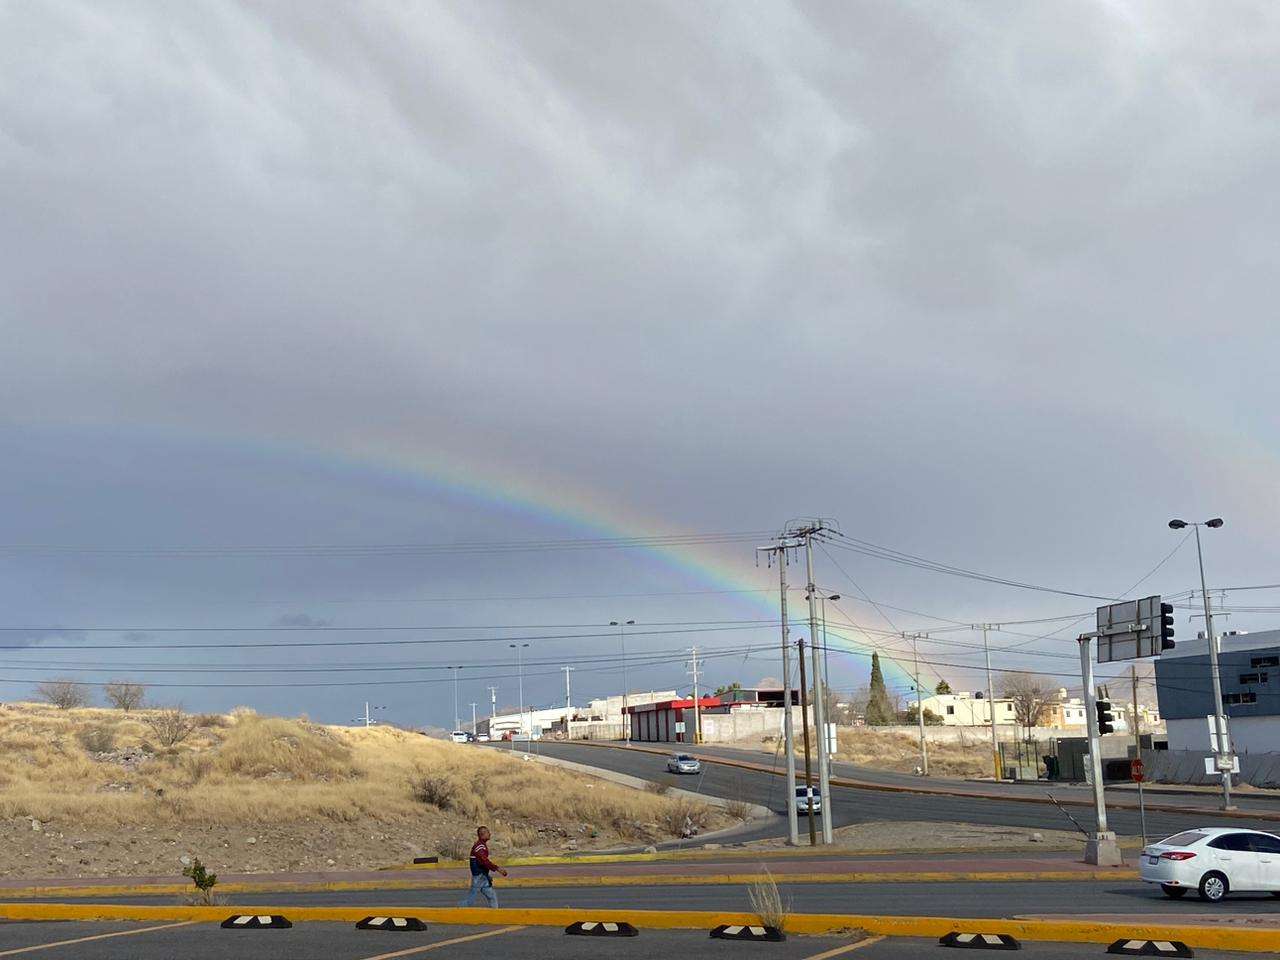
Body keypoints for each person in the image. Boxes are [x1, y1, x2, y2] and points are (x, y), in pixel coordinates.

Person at [459, 825, 507, 907]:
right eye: (488, 832)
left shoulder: (481, 845)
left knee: (492, 896)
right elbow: (484, 861)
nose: (490, 834)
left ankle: (495, 914)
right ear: (483, 834)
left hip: (482, 876)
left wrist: (487, 875)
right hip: (479, 877)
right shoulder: (480, 847)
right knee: (469, 901)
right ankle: (457, 910)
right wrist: (498, 869)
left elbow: (482, 863)